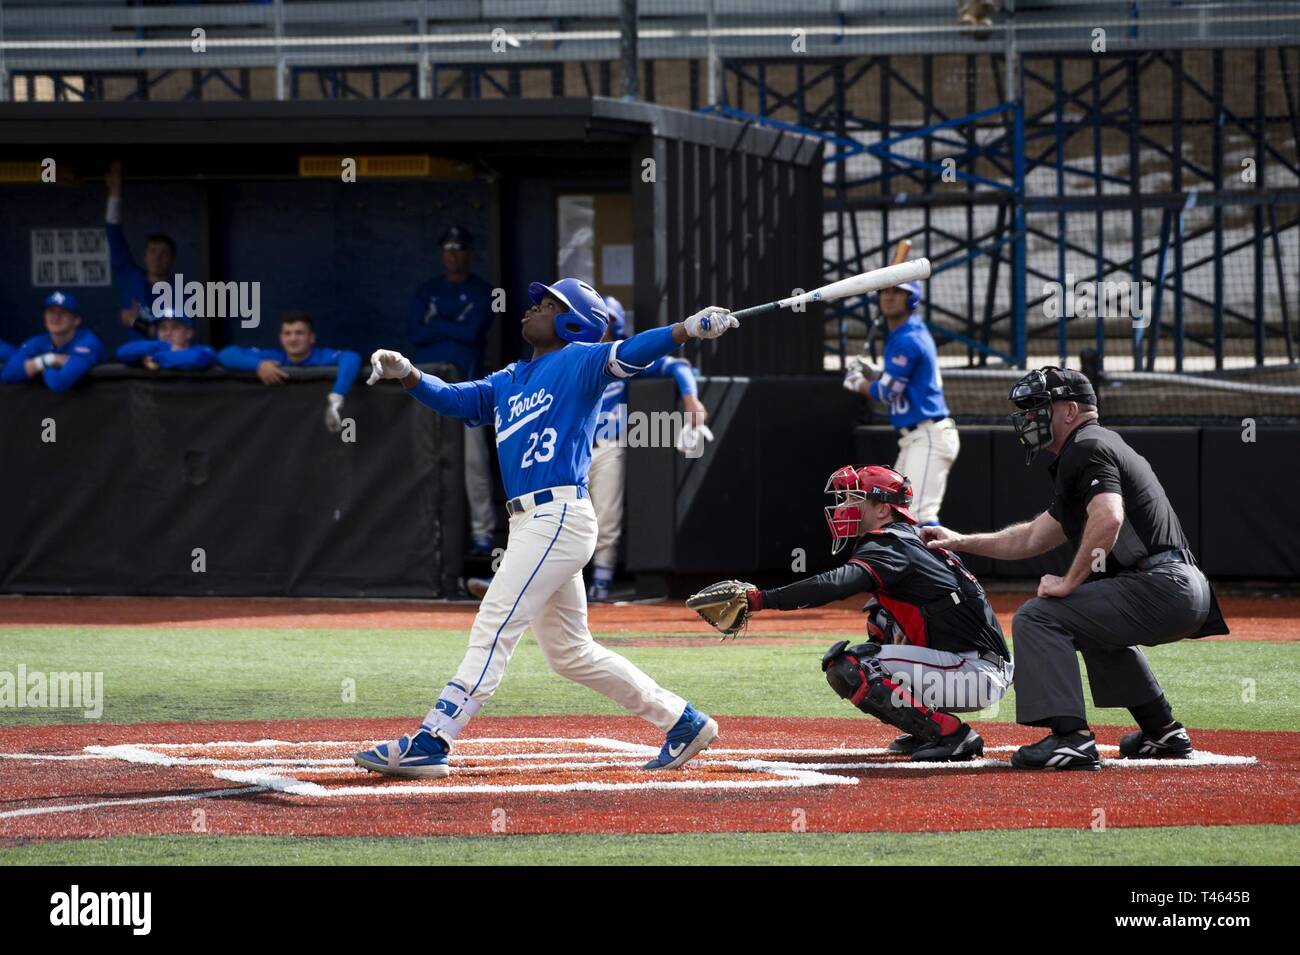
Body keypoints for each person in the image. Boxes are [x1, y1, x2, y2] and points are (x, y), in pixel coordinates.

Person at [356, 278, 737, 778]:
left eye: (547, 304)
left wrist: (684, 330)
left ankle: (433, 737)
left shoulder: (580, 360)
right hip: (533, 523)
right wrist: (408, 373)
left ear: (572, 320)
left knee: (495, 623)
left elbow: (633, 350)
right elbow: (454, 400)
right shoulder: (511, 377)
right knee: (570, 653)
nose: (530, 309)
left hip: (557, 515)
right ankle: (683, 721)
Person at [922, 366, 1228, 770]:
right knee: (1090, 624)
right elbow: (1031, 538)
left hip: (1163, 586)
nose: (1028, 418)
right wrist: (960, 541)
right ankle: (1162, 731)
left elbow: (1109, 517)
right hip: (1182, 588)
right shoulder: (1094, 446)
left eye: (1036, 408)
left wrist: (1068, 582)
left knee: (1039, 616)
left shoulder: (1086, 447)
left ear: (1068, 410)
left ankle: (1071, 738)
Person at [704, 464, 1011, 762]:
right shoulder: (908, 540)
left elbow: (834, 584)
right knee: (879, 620)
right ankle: (926, 726)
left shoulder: (892, 545)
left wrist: (761, 600)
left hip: (975, 674)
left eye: (854, 498)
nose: (843, 507)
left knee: (851, 667)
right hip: (973, 667)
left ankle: (950, 734)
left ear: (882, 509)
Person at [586, 294, 709, 601]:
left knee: (606, 517)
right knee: (563, 518)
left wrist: (690, 398)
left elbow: (677, 367)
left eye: (609, 321)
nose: (603, 326)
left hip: (608, 443)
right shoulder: (575, 354)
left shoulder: (622, 356)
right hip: (573, 446)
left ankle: (600, 582)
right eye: (598, 319)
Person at [409, 226, 499, 556]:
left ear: (469, 252)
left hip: (467, 392)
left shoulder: (483, 291)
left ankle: (482, 535)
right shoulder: (428, 290)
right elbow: (415, 334)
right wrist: (454, 327)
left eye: (459, 247)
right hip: (428, 390)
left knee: (474, 464)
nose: (452, 253)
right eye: (447, 248)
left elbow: (472, 333)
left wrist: (438, 325)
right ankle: (428, 534)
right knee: (425, 462)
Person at [843, 280, 958, 525]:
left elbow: (887, 393)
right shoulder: (903, 332)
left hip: (928, 436)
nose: (889, 296)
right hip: (914, 438)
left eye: (898, 291)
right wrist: (873, 372)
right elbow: (902, 381)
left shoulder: (908, 338)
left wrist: (856, 382)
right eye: (885, 290)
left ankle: (943, 565)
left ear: (912, 298)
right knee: (896, 513)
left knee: (918, 515)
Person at [217, 312, 362, 432]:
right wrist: (258, 365)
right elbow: (226, 354)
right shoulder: (274, 357)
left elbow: (352, 357)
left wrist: (338, 395)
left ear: (311, 337)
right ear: (281, 338)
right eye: (287, 333)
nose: (293, 339)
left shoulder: (321, 356)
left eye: (299, 333)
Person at [105, 160, 176, 337]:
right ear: (144, 257)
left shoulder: (184, 293)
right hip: (135, 357)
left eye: (163, 252)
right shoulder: (130, 277)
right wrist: (115, 195)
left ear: (172, 258)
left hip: (170, 360)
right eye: (152, 251)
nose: (157, 257)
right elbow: (113, 233)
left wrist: (134, 322)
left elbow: (174, 336)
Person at [1, 291, 104, 391]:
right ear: (44, 318)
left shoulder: (87, 342)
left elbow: (59, 383)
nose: (55, 317)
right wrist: (48, 360)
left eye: (62, 313)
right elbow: (8, 374)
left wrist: (37, 366)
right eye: (51, 312)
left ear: (76, 320)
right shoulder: (38, 341)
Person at [115, 310, 217, 371]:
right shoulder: (154, 348)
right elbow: (122, 352)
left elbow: (197, 359)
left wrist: (155, 359)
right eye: (163, 328)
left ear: (188, 333)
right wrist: (165, 347)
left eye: (175, 328)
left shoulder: (201, 350)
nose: (168, 333)